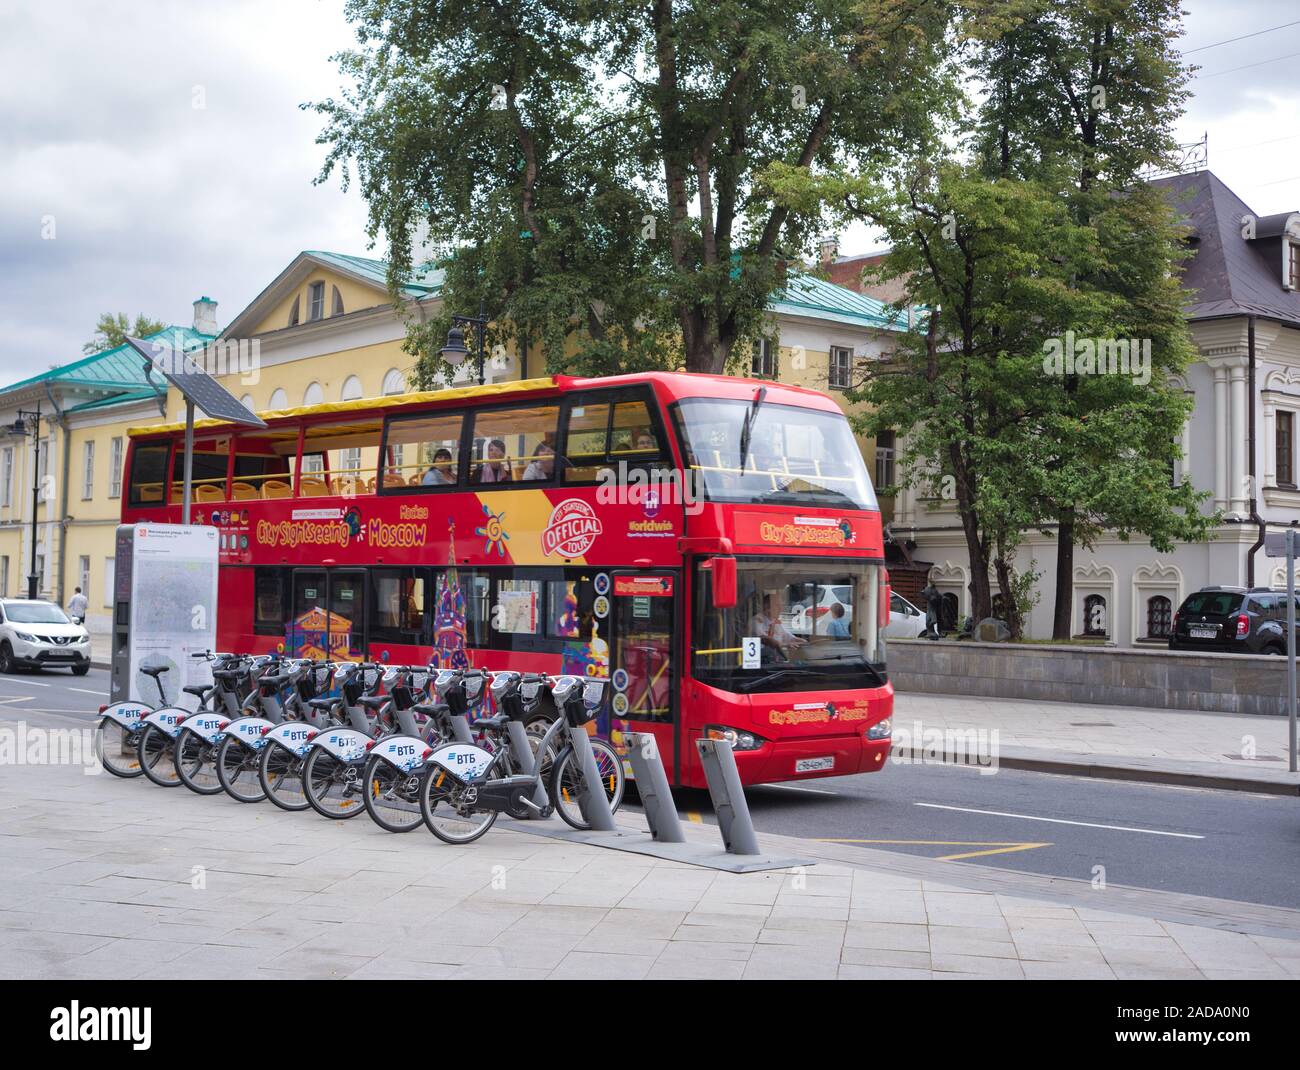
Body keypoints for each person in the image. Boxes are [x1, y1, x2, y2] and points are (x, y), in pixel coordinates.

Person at [749, 593, 805, 659]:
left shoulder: (776, 622)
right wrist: (786, 645)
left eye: (781, 606)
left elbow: (790, 637)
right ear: (767, 607)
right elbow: (767, 640)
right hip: (761, 660)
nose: (781, 609)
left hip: (776, 660)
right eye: (777, 606)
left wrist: (804, 642)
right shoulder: (756, 621)